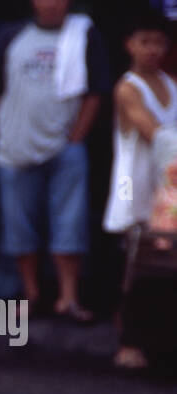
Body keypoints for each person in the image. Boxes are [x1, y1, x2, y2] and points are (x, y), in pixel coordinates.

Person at [0, 0, 111, 323]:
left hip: (64, 147)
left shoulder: (83, 34)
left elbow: (97, 91)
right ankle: (30, 295)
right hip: (15, 146)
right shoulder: (10, 36)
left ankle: (68, 297)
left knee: (69, 222)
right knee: (19, 223)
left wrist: (77, 136)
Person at [103, 11, 177, 371]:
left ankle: (158, 339)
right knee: (133, 262)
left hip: (169, 189)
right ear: (129, 44)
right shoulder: (127, 87)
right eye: (144, 41)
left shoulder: (171, 82)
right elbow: (156, 134)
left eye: (158, 42)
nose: (151, 49)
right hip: (134, 183)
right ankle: (127, 341)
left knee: (163, 263)